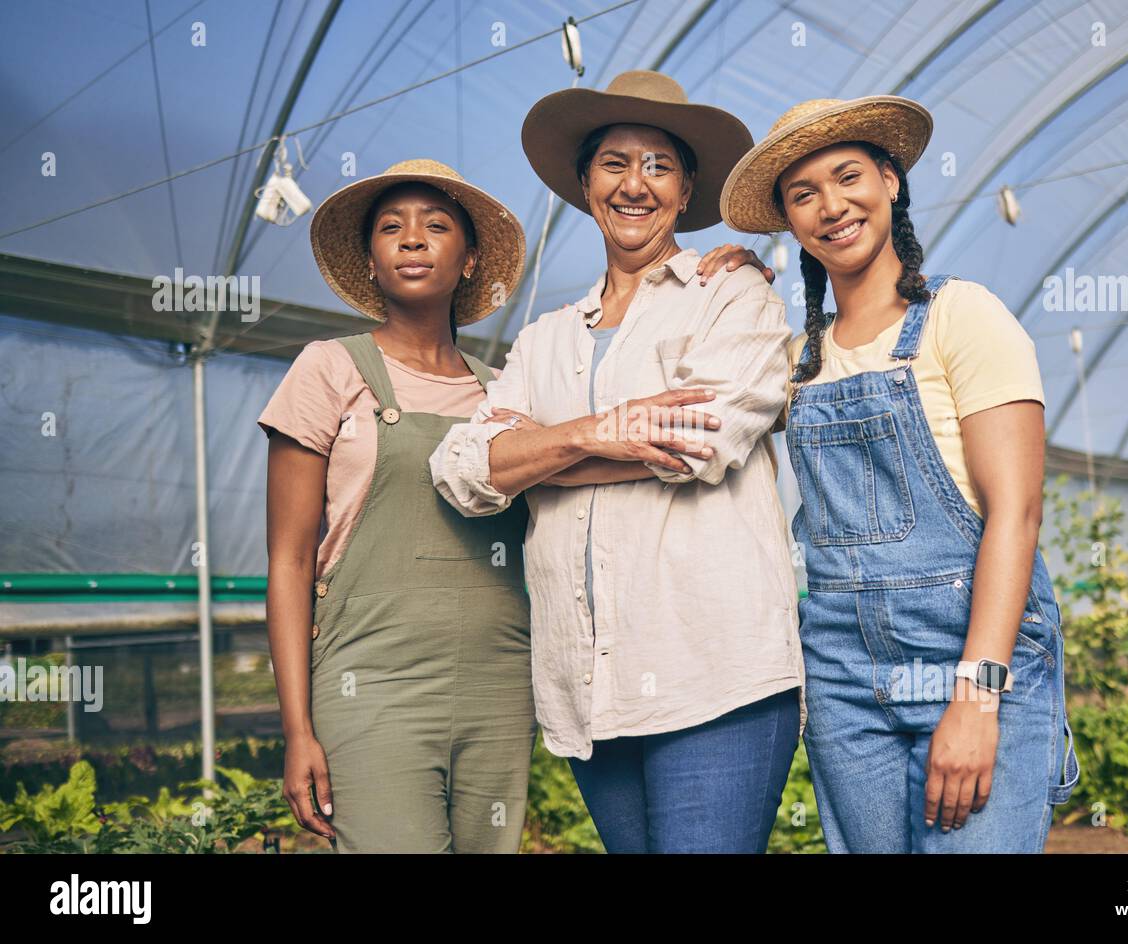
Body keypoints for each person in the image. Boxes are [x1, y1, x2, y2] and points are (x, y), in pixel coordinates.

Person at [430, 71, 803, 853]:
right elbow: (464, 470)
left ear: (686, 187)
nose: (636, 185)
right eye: (614, 164)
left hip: (714, 674)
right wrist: (593, 434)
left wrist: (536, 455)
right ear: (585, 183)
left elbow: (701, 438)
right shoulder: (545, 339)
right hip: (588, 687)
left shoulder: (730, 295)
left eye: (660, 165)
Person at [720, 96, 1080, 852]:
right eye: (802, 194)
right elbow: (698, 412)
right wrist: (721, 287)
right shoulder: (796, 361)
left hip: (970, 655)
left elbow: (1015, 515)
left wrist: (978, 698)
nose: (831, 206)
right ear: (789, 223)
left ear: (889, 181)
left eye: (848, 176)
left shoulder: (961, 316)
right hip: (843, 674)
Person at [260, 159, 534, 853]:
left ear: (469, 261)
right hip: (370, 681)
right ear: (373, 265)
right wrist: (297, 731)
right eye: (392, 228)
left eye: (435, 226)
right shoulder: (330, 369)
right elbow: (289, 561)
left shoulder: (506, 396)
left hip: (499, 683)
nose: (412, 239)